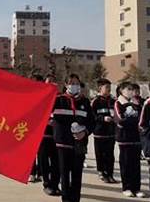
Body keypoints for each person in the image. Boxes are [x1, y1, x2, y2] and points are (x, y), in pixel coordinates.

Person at [51, 74, 95, 202]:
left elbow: (91, 122)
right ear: (66, 85)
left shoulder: (85, 101)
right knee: (64, 174)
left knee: (77, 174)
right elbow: (43, 109)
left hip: (79, 144)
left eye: (76, 83)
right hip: (63, 144)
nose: (74, 85)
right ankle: (66, 199)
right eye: (71, 83)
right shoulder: (58, 100)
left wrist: (85, 132)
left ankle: (75, 199)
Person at [114, 82, 145, 198]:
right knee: (126, 164)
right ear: (121, 91)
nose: (131, 91)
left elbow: (142, 118)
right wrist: (135, 122)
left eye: (132, 89)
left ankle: (136, 188)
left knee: (136, 164)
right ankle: (126, 187)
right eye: (128, 89)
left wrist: (135, 121)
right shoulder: (118, 103)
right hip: (124, 138)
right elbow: (121, 119)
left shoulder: (137, 103)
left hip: (136, 138)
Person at [38, 74, 61, 196]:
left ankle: (55, 184)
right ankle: (46, 184)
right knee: (44, 162)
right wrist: (46, 120)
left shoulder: (61, 98)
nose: (51, 84)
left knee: (57, 162)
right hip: (43, 135)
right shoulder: (40, 98)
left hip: (57, 136)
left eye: (53, 81)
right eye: (49, 82)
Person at [91, 78, 117, 184]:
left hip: (110, 132)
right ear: (100, 88)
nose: (108, 89)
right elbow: (92, 116)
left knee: (110, 155)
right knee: (100, 154)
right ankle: (101, 172)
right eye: (106, 87)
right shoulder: (95, 101)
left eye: (109, 87)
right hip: (100, 132)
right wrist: (102, 119)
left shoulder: (113, 101)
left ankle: (110, 173)